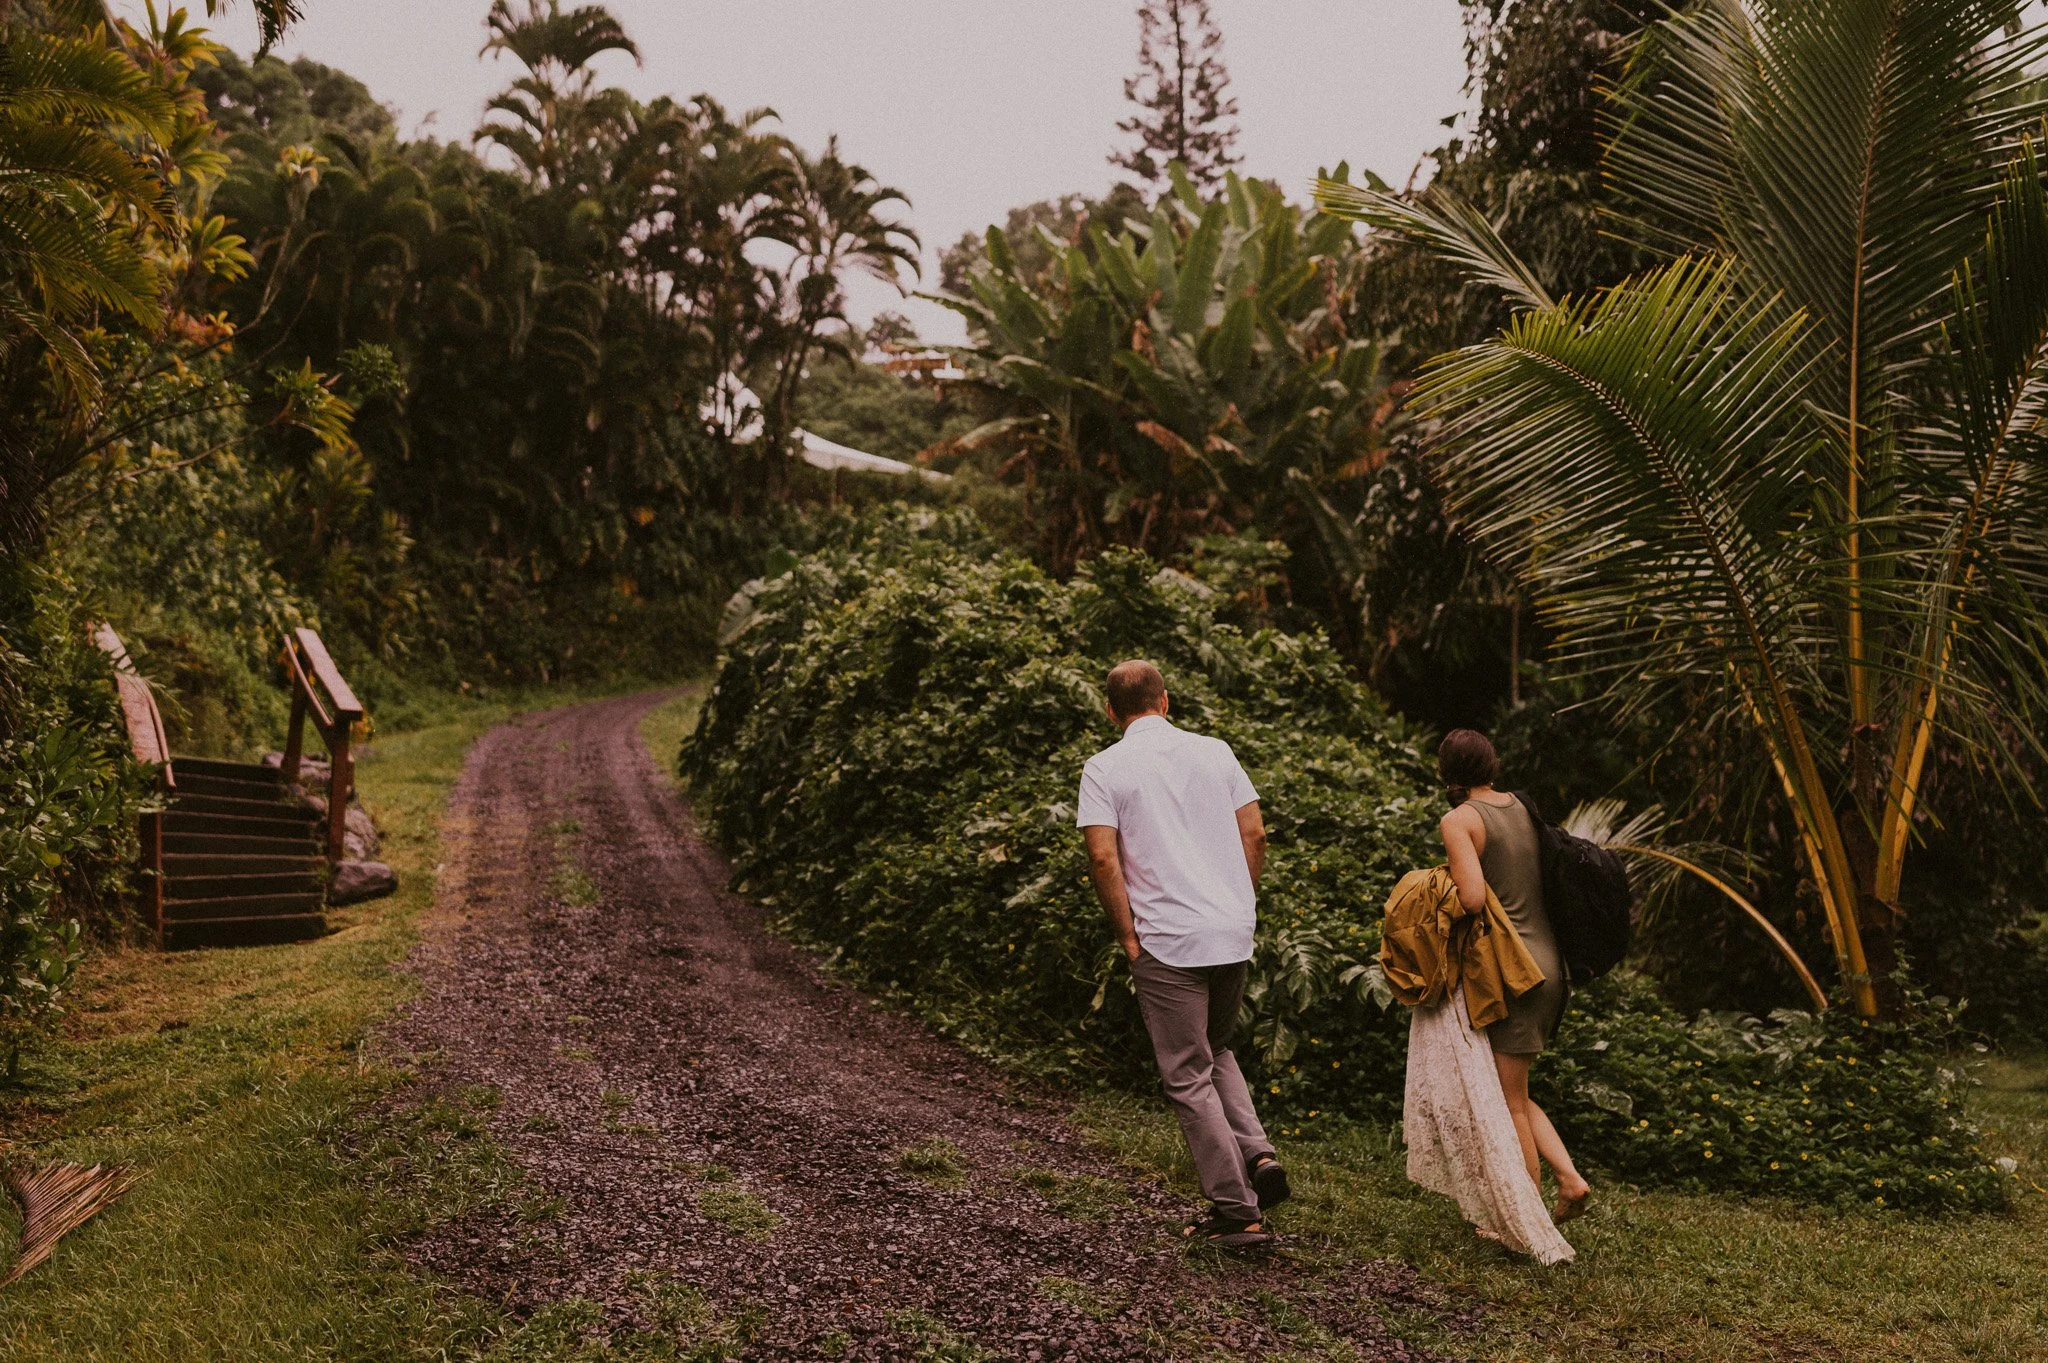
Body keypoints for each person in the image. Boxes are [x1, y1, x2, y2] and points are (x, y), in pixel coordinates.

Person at [1077, 659, 1287, 1249]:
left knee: (1187, 1073)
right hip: (1230, 932)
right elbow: (1256, 834)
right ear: (1165, 701)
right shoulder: (1216, 752)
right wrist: (1236, 903)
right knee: (1215, 1048)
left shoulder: (1104, 767)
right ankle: (1258, 1153)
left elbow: (1102, 858)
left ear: (1111, 711)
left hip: (1167, 941)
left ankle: (1236, 1211)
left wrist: (1126, 935)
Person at [1435, 728, 1591, 1225]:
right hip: (1550, 965)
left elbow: (1473, 898)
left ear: (1446, 772)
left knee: (1509, 1105)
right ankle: (1570, 1180)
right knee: (1515, 1092)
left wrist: (1432, 890)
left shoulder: (1460, 820)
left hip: (1513, 970)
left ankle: (1526, 1222)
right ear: (1492, 765)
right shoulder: (1522, 808)